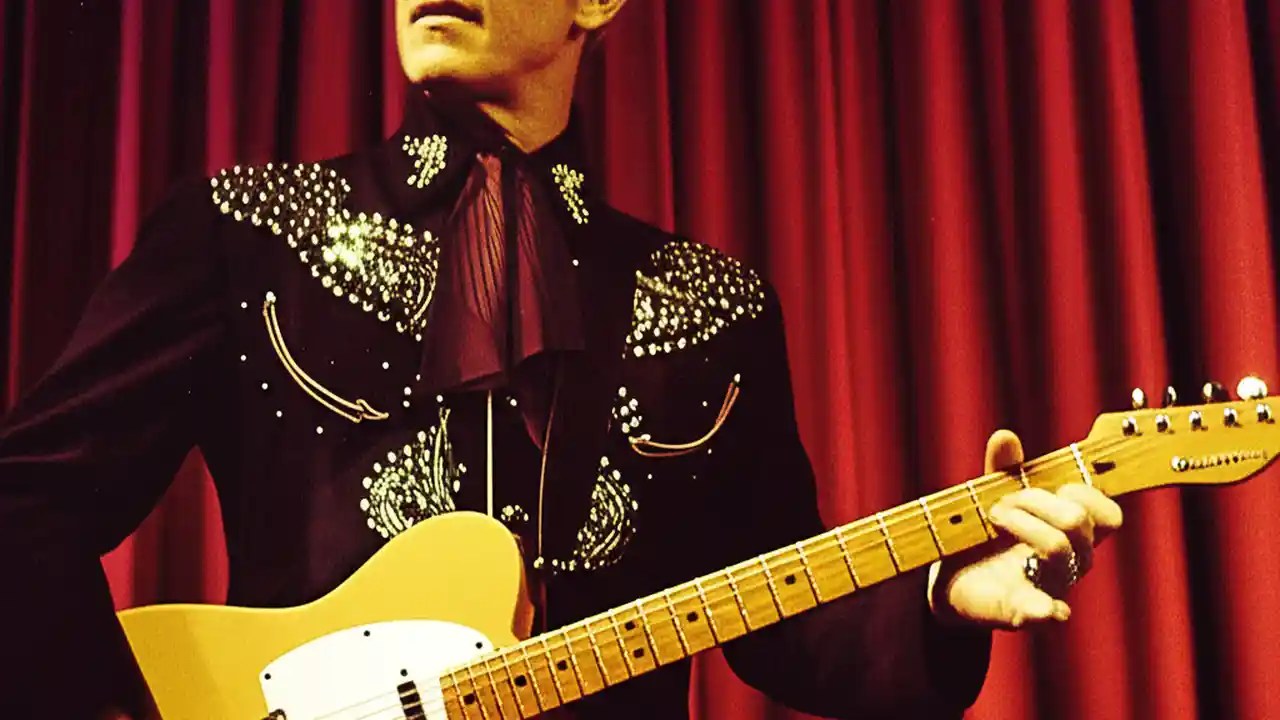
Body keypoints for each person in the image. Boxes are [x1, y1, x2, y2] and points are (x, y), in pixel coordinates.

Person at [0, 0, 1124, 717]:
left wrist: (940, 594)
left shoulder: (711, 303)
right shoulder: (247, 229)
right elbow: (23, 508)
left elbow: (778, 612)